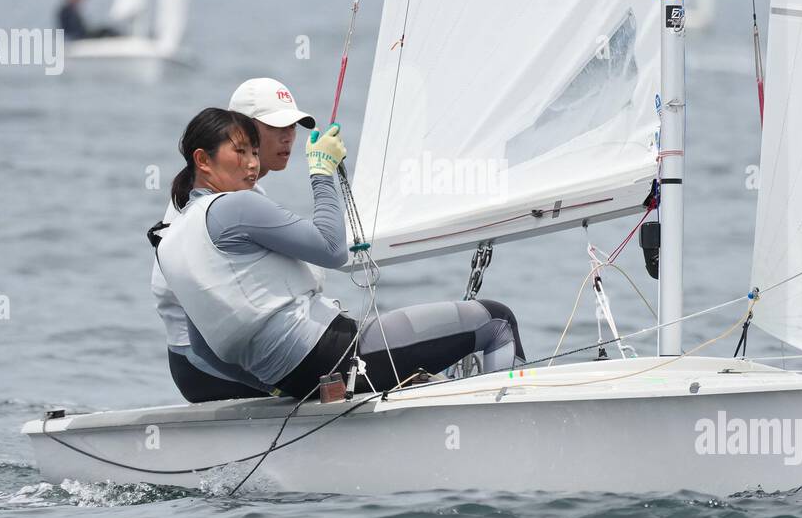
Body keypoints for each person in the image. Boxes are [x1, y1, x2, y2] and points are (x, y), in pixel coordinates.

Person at [152, 108, 524, 400]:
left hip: (293, 377)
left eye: (253, 151)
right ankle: (513, 423)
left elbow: (204, 352)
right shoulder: (235, 207)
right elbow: (332, 249)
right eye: (240, 152)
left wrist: (278, 387)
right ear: (203, 160)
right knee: (496, 321)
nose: (252, 163)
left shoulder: (169, 242)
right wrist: (321, 170)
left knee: (428, 362)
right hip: (336, 355)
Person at [150, 80, 317, 401]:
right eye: (276, 126)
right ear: (242, 128)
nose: (289, 137)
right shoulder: (208, 203)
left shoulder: (245, 193)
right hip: (202, 361)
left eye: (293, 127)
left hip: (235, 353)